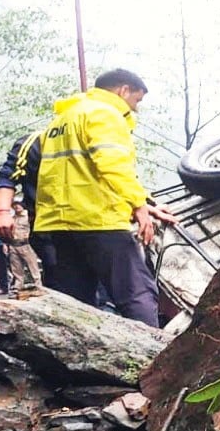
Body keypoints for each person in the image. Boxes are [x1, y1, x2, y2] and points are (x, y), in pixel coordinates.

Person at [33, 68, 176, 326]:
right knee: (136, 293)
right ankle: (154, 357)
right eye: (137, 101)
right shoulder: (104, 114)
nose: (136, 109)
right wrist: (139, 206)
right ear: (123, 90)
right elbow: (112, 165)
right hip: (99, 221)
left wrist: (146, 202)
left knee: (77, 304)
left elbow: (77, 173)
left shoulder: (62, 120)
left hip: (59, 224)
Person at [0, 130, 56, 284]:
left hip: (99, 225)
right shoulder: (36, 141)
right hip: (48, 227)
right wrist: (2, 212)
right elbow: (7, 176)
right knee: (59, 277)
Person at [5, 199, 42, 295]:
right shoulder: (13, 218)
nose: (16, 206)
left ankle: (38, 286)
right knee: (16, 268)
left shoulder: (28, 217)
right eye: (14, 205)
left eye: (18, 204)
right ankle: (18, 286)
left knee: (33, 266)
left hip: (26, 244)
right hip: (14, 244)